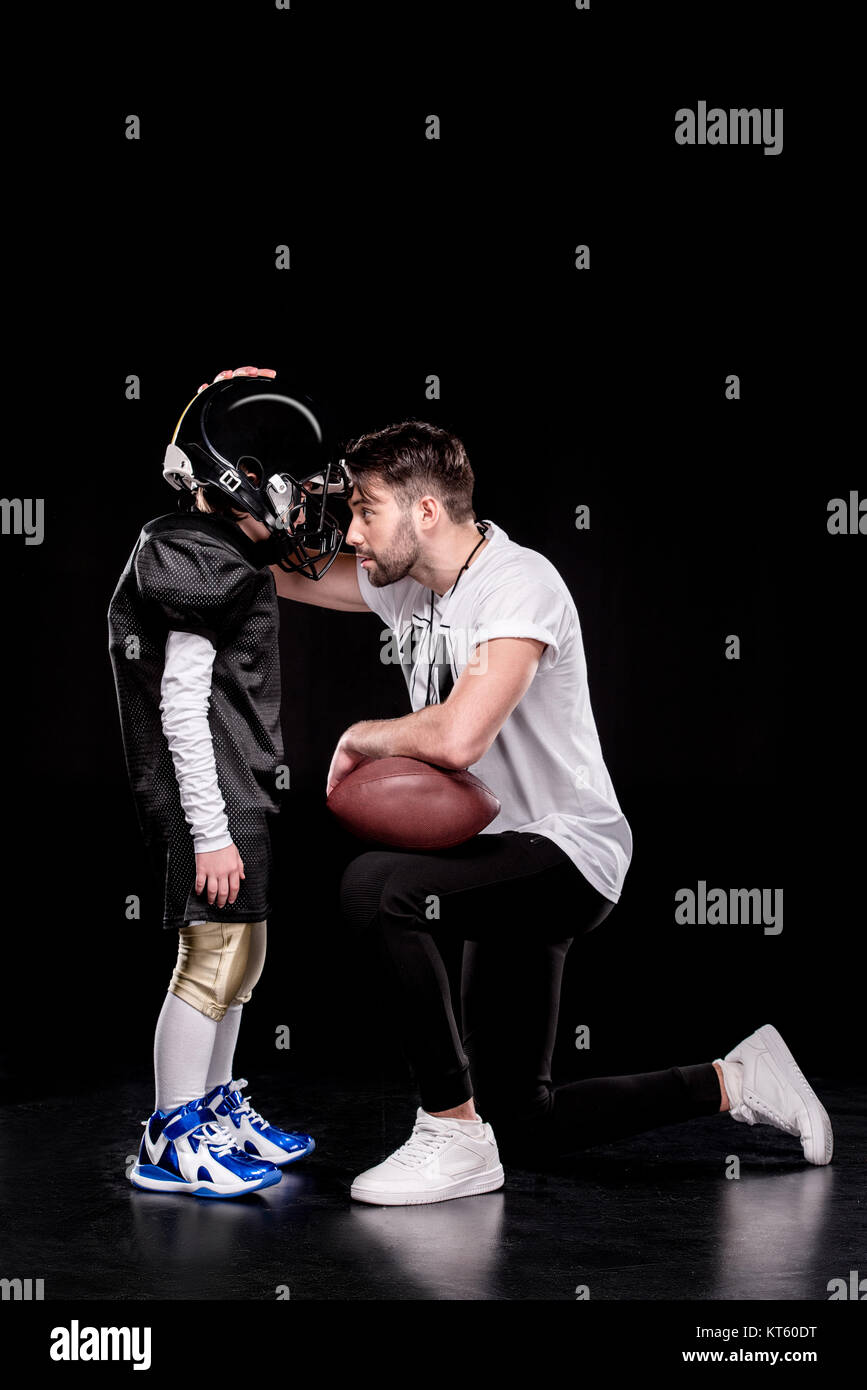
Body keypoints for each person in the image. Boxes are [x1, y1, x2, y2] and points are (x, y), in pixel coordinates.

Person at [262, 378, 834, 1206]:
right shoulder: (407, 585)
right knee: (523, 1121)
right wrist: (221, 491)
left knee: (374, 889)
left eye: (364, 510)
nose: (351, 531)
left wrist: (361, 737)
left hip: (567, 853)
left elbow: (461, 737)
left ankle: (449, 1133)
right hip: (497, 856)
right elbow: (279, 574)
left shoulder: (517, 582)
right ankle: (735, 1079)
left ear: (426, 512)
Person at [108, 368, 350, 1198]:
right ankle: (170, 1136)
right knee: (209, 956)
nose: (307, 506)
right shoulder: (188, 555)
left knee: (242, 955)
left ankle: (207, 1109)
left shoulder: (220, 545)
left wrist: (206, 401)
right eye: (292, 487)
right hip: (203, 793)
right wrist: (208, 829)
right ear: (237, 479)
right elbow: (180, 706)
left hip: (234, 784)